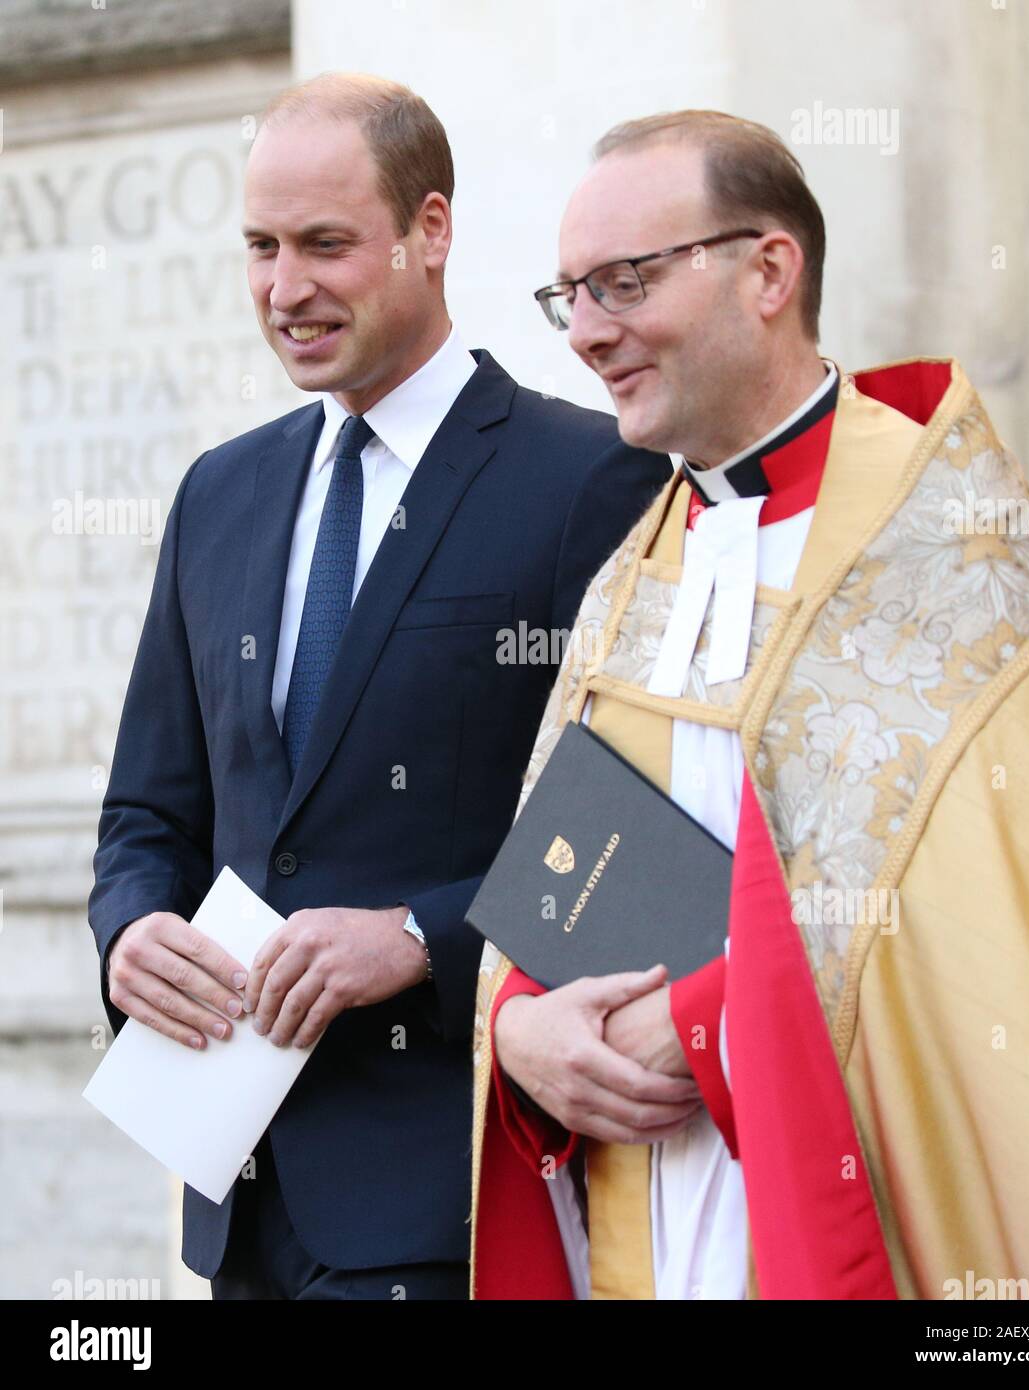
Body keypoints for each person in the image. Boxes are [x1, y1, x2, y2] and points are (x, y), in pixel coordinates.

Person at [471, 109, 1029, 1300]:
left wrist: (713, 1025)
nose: (587, 334)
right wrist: (516, 1032)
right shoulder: (635, 573)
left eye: (621, 282)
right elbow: (555, 887)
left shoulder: (955, 555)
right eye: (568, 297)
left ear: (768, 270)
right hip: (641, 1217)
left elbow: (998, 942)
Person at [87, 73, 669, 1301]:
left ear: (431, 231)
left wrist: (418, 937)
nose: (284, 289)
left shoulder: (590, 479)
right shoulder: (218, 495)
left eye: (324, 245)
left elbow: (643, 833)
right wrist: (128, 936)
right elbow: (147, 815)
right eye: (259, 247)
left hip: (456, 1193)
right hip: (237, 1201)